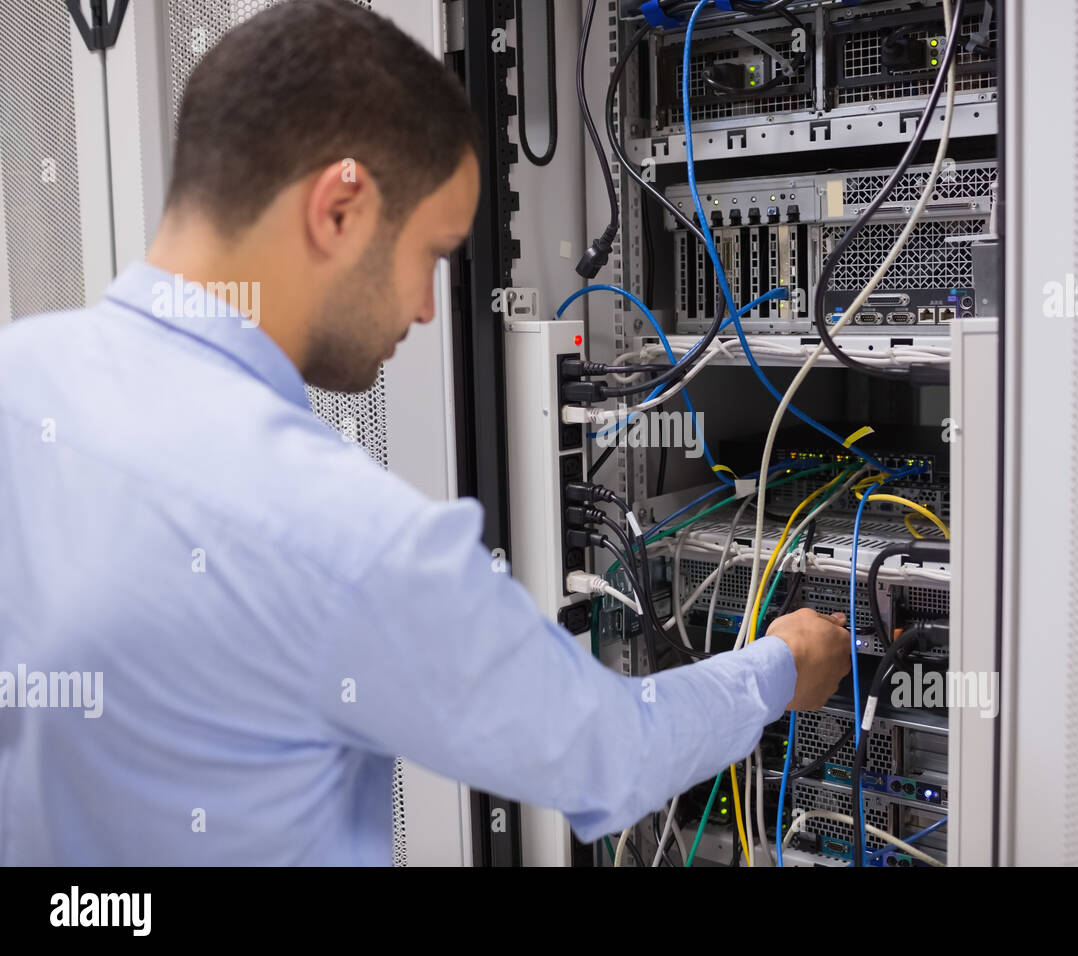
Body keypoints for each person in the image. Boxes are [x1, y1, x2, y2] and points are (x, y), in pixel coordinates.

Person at [0, 0, 850, 865]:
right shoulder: (333, 529)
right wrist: (782, 662)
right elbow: (609, 753)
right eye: (433, 255)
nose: (420, 307)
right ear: (340, 208)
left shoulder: (18, 382)